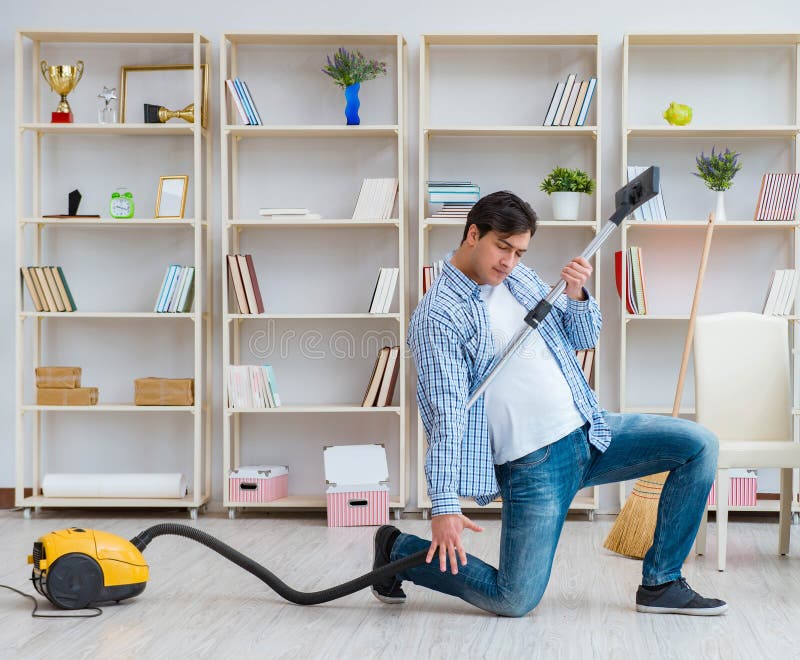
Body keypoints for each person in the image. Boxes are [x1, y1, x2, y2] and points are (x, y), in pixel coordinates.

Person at [371, 190, 727, 617]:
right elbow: (446, 415)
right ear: (472, 234)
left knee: (699, 444)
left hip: (590, 432)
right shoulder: (438, 316)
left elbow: (583, 338)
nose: (509, 262)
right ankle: (396, 550)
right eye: (502, 247)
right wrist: (444, 505)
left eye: (519, 252)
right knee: (514, 599)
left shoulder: (518, 278)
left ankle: (662, 583)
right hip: (534, 465)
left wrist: (578, 295)